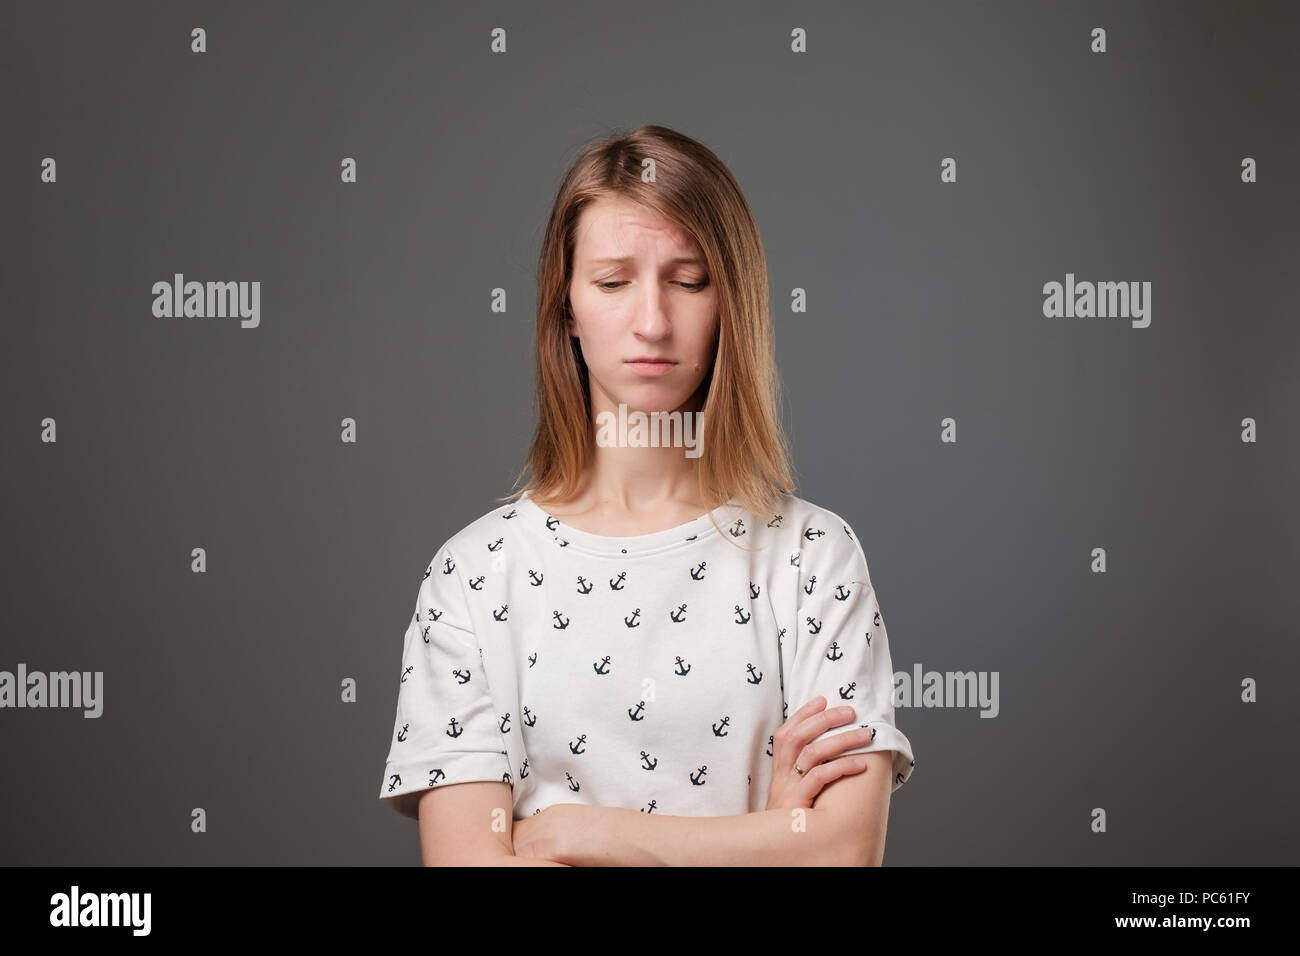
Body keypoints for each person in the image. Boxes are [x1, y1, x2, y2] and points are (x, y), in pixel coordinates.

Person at [379, 124, 915, 866]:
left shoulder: (813, 559)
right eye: (612, 281)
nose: (653, 321)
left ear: (733, 302)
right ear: (565, 307)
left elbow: (842, 852)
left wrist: (583, 834)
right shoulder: (472, 577)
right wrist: (763, 841)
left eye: (689, 280)